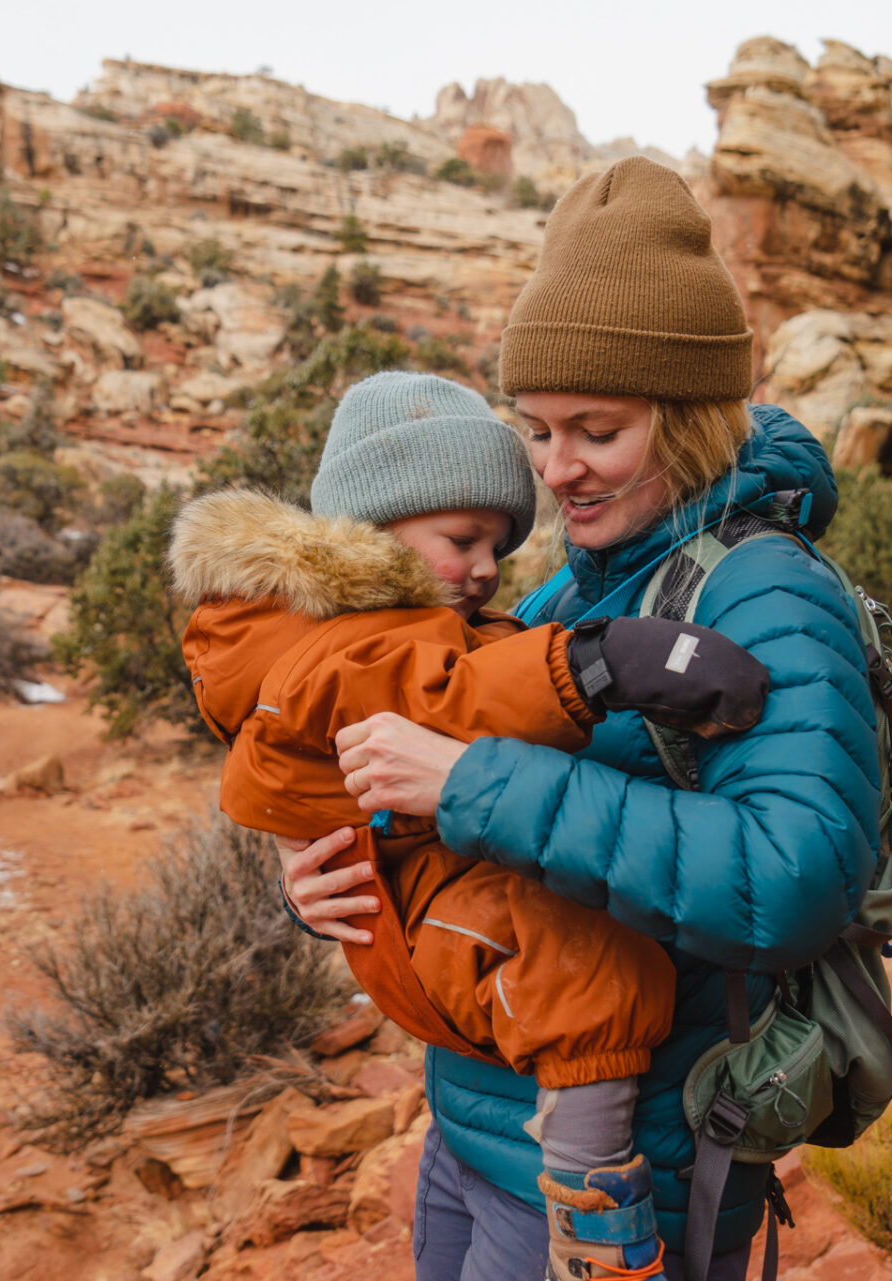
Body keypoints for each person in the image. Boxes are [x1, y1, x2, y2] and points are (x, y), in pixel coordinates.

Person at [278, 156, 881, 1281]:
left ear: (690, 413)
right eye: (538, 431)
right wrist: (331, 873)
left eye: (596, 430)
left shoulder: (766, 591)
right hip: (479, 1134)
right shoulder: (584, 585)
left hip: (622, 1185)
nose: (559, 470)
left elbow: (796, 877)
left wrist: (468, 785)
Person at [169, 371, 773, 1280]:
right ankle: (594, 1200)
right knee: (581, 958)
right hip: (434, 924)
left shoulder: (348, 621)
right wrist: (601, 665)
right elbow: (446, 691)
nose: (488, 567)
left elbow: (461, 667)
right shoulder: (339, 641)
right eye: (462, 539)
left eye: (496, 541)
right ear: (367, 533)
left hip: (428, 948)